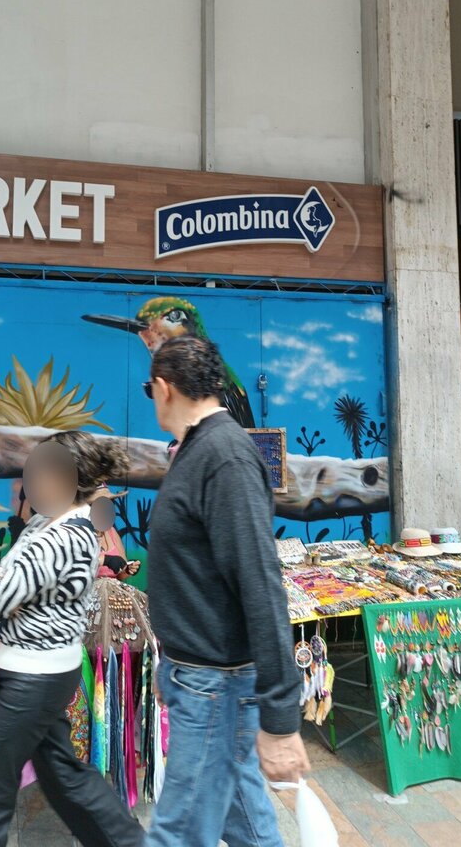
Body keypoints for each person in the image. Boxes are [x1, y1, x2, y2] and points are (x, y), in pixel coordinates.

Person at [143, 335, 307, 847]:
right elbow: (195, 573)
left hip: (216, 686)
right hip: (200, 675)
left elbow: (260, 583)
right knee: (247, 824)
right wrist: (168, 658)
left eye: (149, 387)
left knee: (178, 832)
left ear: (164, 389)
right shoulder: (197, 450)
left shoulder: (225, 455)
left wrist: (280, 720)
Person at [0, 431, 144, 847]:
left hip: (32, 677)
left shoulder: (63, 537)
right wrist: (5, 579)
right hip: (38, 670)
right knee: (67, 779)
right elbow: (9, 585)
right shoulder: (49, 523)